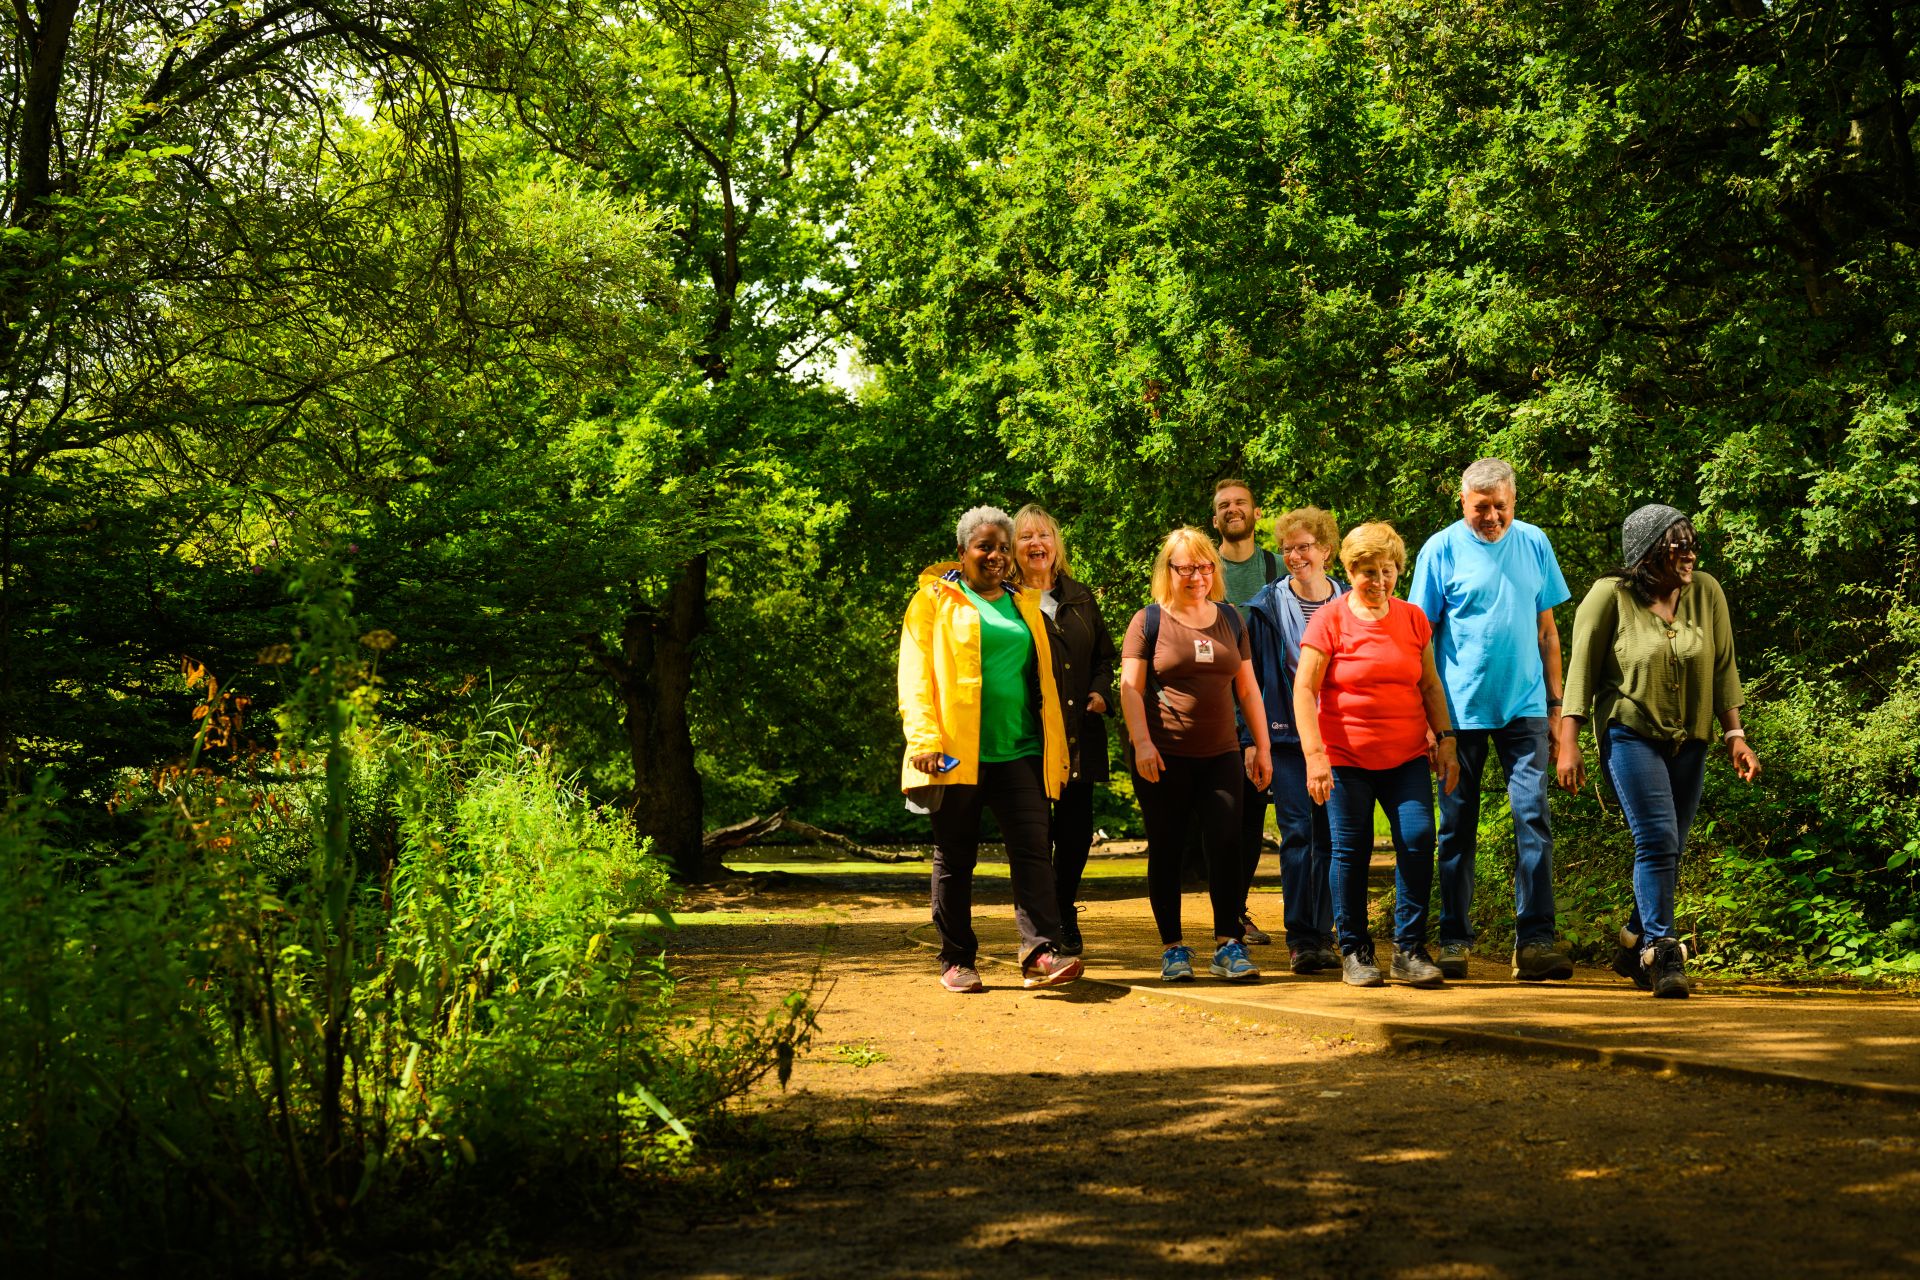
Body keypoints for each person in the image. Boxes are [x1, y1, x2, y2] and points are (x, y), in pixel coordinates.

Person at [1556, 505, 1760, 998]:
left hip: (1692, 739)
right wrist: (1569, 742)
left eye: (1692, 544)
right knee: (1658, 838)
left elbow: (1724, 665)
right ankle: (1662, 953)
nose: (1690, 554)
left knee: (1670, 847)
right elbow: (1580, 670)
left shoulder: (1706, 592)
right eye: (1678, 545)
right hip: (1629, 733)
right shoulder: (1611, 596)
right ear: (1649, 554)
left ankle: (1631, 941)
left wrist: (1736, 735)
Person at [898, 505, 1083, 993]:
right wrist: (924, 740)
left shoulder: (1025, 604)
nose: (997, 555)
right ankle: (956, 959)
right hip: (955, 754)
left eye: (1004, 547)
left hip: (1020, 751)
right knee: (955, 858)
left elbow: (1042, 680)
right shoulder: (933, 602)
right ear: (963, 552)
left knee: (1033, 854)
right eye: (986, 547)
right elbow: (914, 677)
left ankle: (1040, 953)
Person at [1408, 458, 1574, 981]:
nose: (1493, 517)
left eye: (1501, 506)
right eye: (1482, 508)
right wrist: (1431, 723)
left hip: (1525, 710)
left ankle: (1535, 943)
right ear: (1463, 503)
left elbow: (1548, 633)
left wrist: (1556, 708)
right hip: (1460, 715)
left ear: (1513, 501)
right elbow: (1421, 641)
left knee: (1533, 822)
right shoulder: (1440, 550)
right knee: (1456, 829)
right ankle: (1454, 940)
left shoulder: (1534, 543)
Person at [1294, 523, 1461, 988]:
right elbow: (1304, 690)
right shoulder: (1329, 619)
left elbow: (1429, 684)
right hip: (1345, 757)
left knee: (1419, 836)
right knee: (1350, 851)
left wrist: (1445, 738)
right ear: (1349, 570)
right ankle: (1354, 949)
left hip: (1406, 754)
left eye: (1387, 571)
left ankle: (1408, 948)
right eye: (1368, 572)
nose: (1379, 581)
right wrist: (1314, 755)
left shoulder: (1412, 619)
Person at [1119, 527, 1273, 983]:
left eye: (1205, 566)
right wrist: (1142, 741)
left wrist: (1261, 747)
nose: (1197, 575)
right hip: (1163, 755)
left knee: (1227, 845)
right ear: (1168, 570)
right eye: (1185, 567)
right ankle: (1173, 949)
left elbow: (1248, 690)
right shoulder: (1147, 621)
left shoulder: (1229, 618)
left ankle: (1229, 944)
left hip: (1222, 753)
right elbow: (1130, 690)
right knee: (1166, 849)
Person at [1243, 507, 1347, 975]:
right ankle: (1301, 938)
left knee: (1334, 837)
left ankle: (1326, 933)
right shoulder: (1264, 607)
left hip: (1340, 737)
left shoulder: (1349, 602)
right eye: (1287, 548)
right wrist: (1251, 739)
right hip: (1285, 739)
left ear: (1326, 550)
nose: (1295, 555)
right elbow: (1246, 681)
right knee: (1298, 834)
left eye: (1305, 546)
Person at [1011, 504, 1118, 957]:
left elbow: (1104, 658)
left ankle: (1064, 910)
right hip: (1031, 736)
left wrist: (1101, 693)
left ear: (1057, 545)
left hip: (1081, 733)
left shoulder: (1080, 596)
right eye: (1026, 537)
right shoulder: (1007, 599)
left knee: (1075, 831)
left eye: (1044, 536)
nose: (1037, 544)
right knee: (1035, 832)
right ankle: (1043, 922)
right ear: (1014, 549)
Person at [1211, 477, 1283, 944]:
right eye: (1223, 506)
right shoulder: (1202, 569)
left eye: (1240, 503)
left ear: (1257, 514)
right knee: (1223, 819)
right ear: (1215, 519)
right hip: (1215, 716)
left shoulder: (1277, 567)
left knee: (1254, 817)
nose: (1232, 510)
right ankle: (1228, 916)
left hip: (1267, 713)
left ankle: (1236, 910)